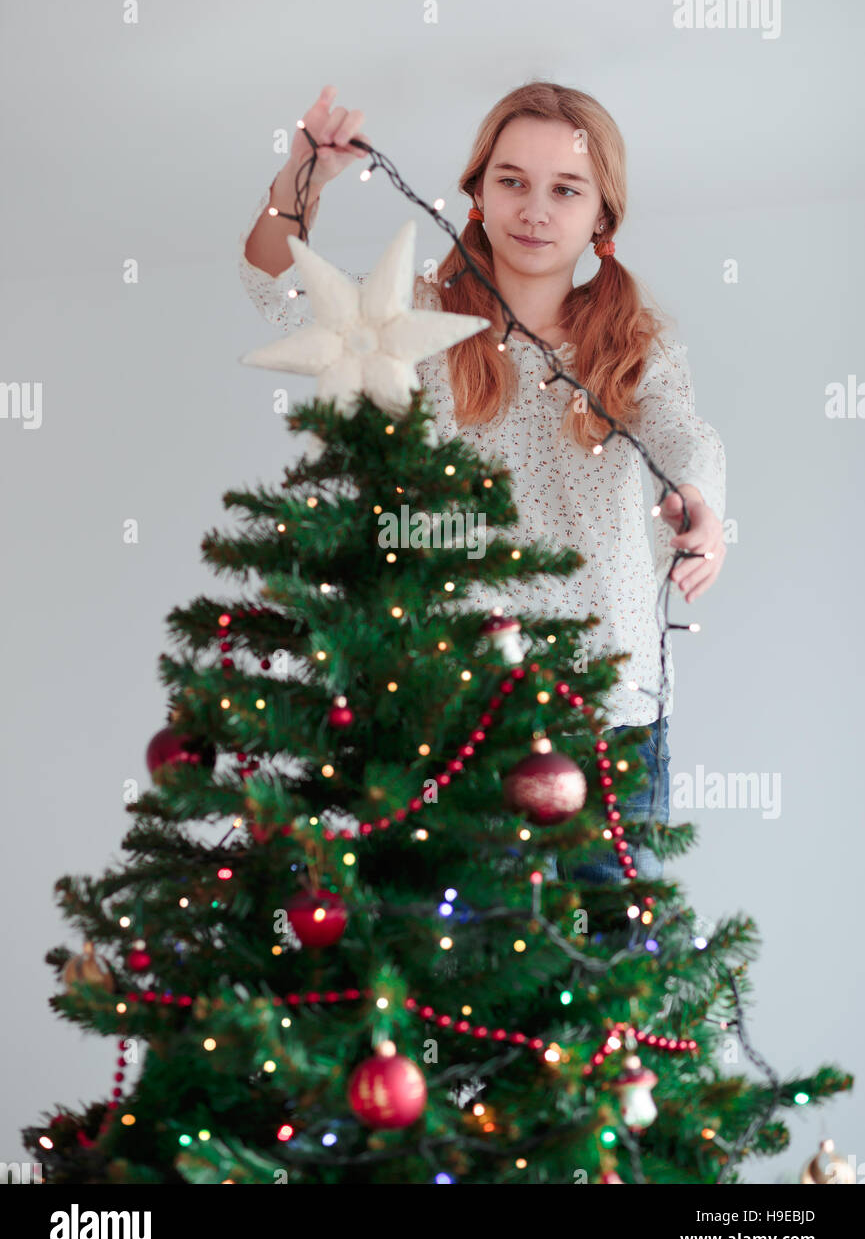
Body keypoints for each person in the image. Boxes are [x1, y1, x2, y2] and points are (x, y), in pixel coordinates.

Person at [239, 83, 727, 885]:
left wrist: (699, 503)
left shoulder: (639, 345)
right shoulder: (413, 323)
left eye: (565, 189)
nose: (534, 209)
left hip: (601, 712)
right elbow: (275, 291)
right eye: (512, 181)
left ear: (600, 216)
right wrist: (304, 174)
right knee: (437, 975)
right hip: (441, 707)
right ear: (475, 191)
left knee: (603, 975)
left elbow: (681, 433)